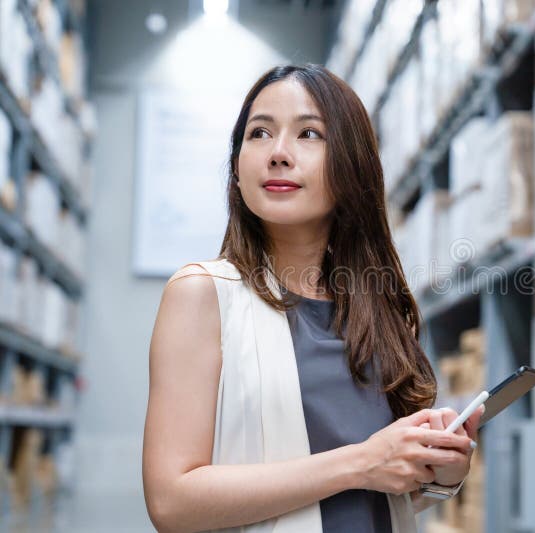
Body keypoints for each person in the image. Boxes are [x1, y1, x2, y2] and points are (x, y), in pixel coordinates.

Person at [142, 64, 484, 532]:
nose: (278, 154)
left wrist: (439, 474)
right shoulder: (202, 294)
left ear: (351, 166)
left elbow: (374, 494)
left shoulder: (378, 310)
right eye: (259, 133)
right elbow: (170, 502)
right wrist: (361, 462)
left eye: (308, 134)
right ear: (237, 169)